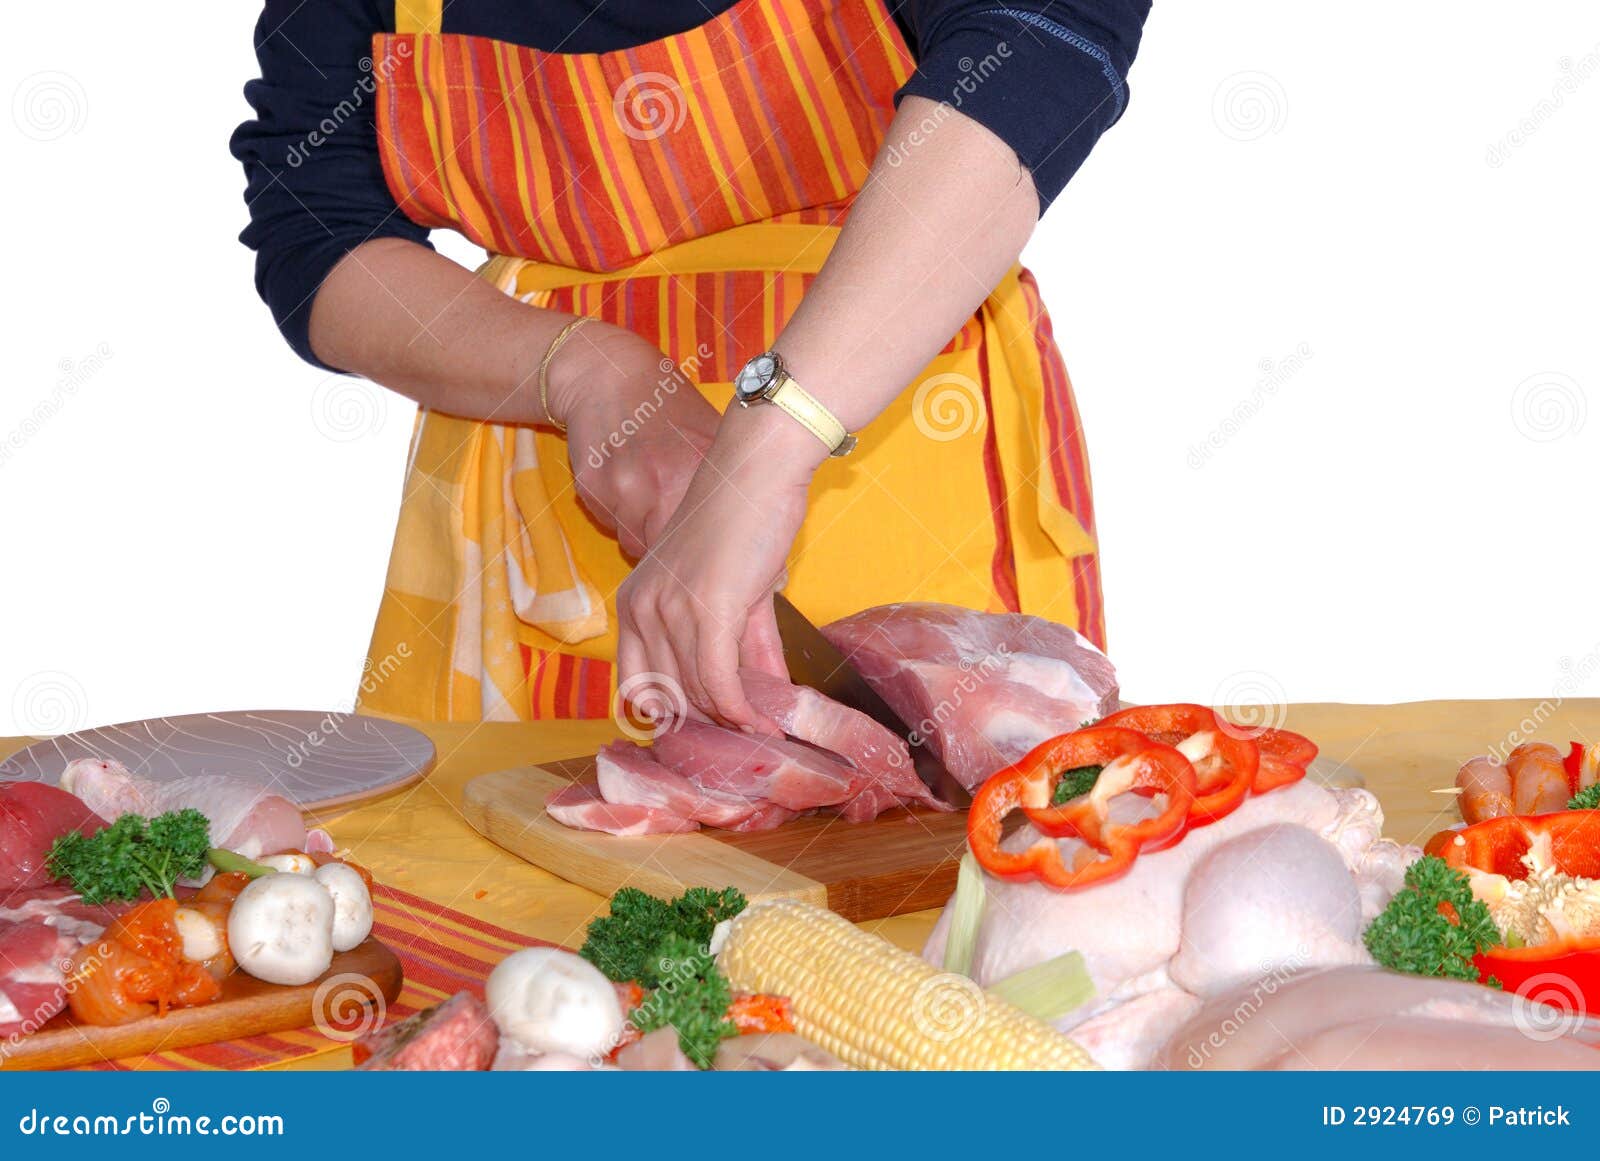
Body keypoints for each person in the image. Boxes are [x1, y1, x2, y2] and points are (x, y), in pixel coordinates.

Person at [232, 0, 1150, 729]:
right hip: (547, 500)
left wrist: (761, 454)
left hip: (907, 446)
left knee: (931, 903)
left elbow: (1042, 34)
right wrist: (583, 370)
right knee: (533, 928)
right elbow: (314, 222)